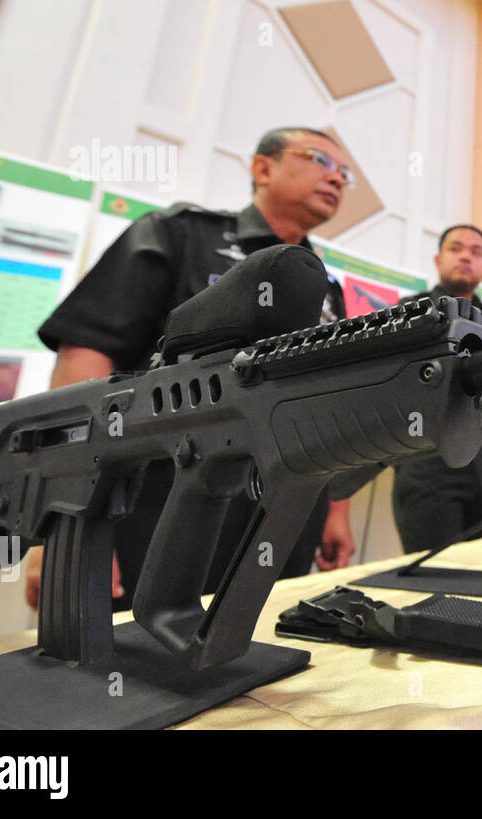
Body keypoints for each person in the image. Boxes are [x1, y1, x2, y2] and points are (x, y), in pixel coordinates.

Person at [26, 127, 358, 610]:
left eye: (344, 173)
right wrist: (65, 518)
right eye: (319, 160)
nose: (336, 180)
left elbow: (332, 406)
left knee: (261, 656)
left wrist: (335, 509)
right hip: (158, 501)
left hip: (282, 511)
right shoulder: (176, 234)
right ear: (263, 168)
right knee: (129, 663)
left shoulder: (325, 288)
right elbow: (87, 363)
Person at [389, 224, 482, 552]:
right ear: (438, 259)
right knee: (430, 580)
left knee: (481, 577)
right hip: (424, 463)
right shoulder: (405, 315)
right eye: (456, 249)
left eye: (476, 252)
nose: (465, 256)